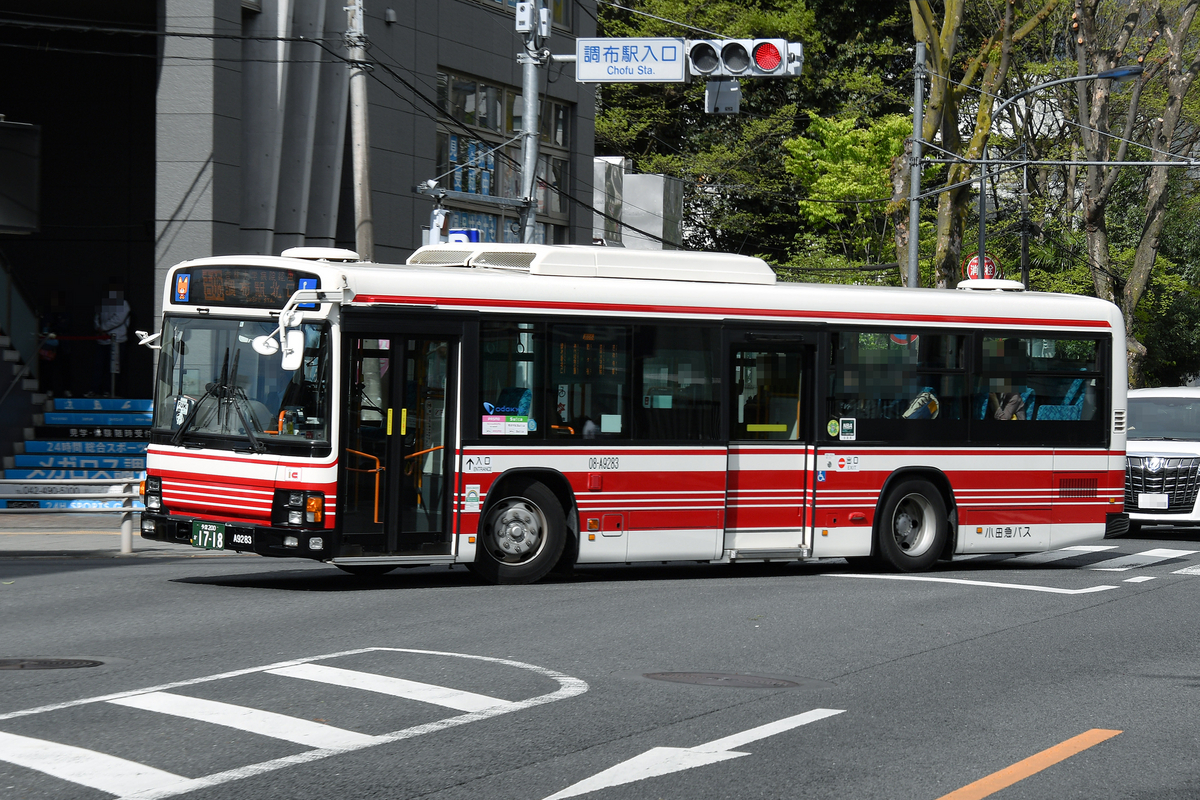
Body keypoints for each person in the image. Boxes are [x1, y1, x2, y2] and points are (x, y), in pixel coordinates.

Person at [92, 279, 131, 397]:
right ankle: (96, 391)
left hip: (117, 341)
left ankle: (110, 391)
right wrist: (98, 327)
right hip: (102, 340)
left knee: (114, 369)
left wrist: (103, 328)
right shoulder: (104, 303)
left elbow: (119, 319)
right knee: (99, 367)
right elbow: (96, 317)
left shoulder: (123, 304)